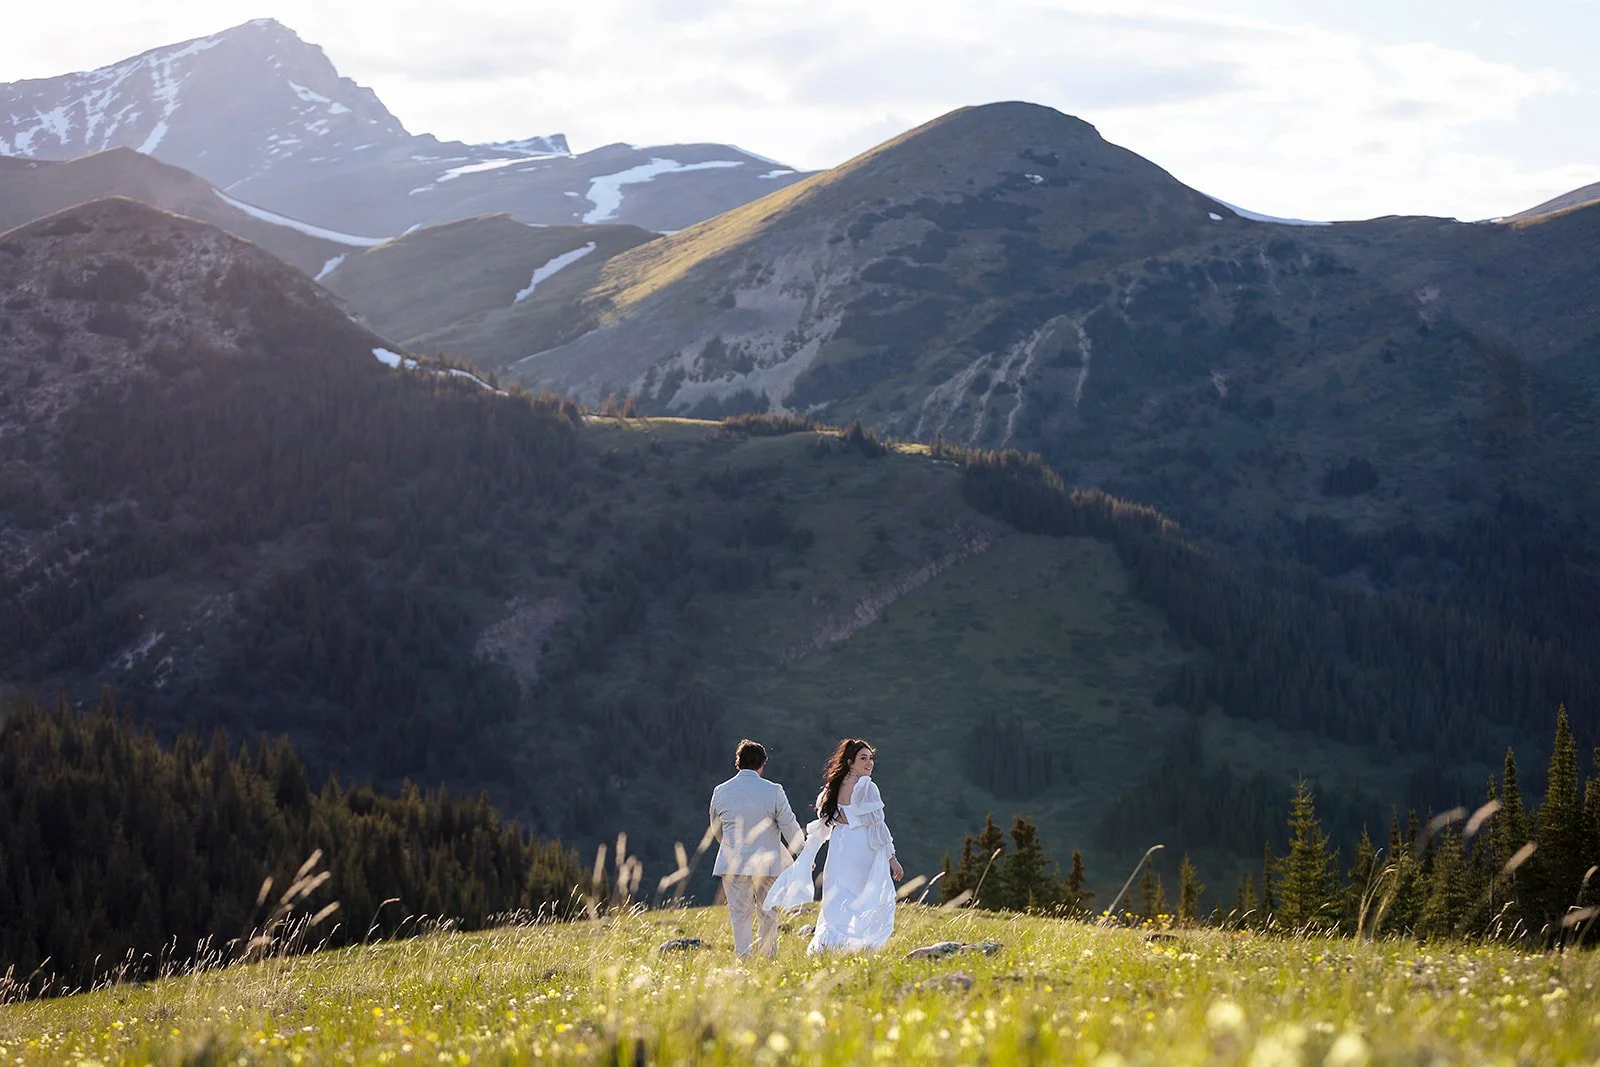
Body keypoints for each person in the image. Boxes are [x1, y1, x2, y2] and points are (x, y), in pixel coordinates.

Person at [765, 738, 903, 952]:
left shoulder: (833, 787)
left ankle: (831, 945)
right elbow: (878, 825)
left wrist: (806, 855)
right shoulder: (867, 786)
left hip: (840, 846)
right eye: (863, 758)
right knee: (866, 896)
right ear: (850, 762)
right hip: (862, 847)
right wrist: (892, 858)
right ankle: (861, 946)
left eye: (871, 759)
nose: (869, 763)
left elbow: (822, 828)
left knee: (839, 896)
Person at [708, 738, 803, 958]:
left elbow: (716, 827)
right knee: (768, 912)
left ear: (738, 762)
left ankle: (744, 960)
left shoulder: (720, 791)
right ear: (762, 765)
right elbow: (788, 824)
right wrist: (802, 852)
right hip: (768, 863)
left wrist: (729, 845)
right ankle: (769, 958)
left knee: (739, 915)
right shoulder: (774, 791)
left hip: (733, 862)